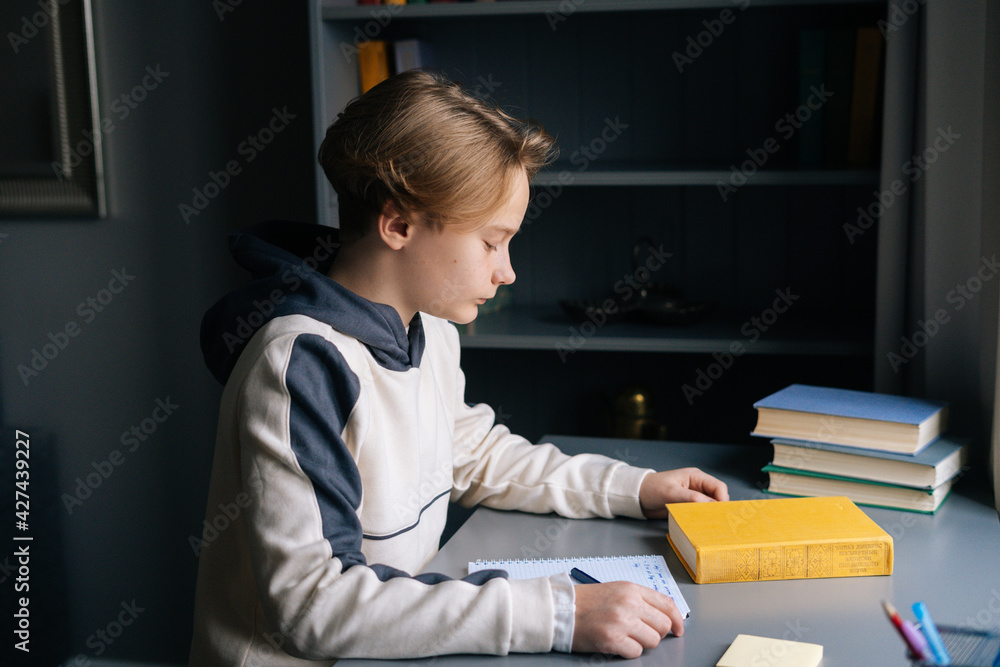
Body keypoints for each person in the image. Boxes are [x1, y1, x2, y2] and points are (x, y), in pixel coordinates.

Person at [189, 69, 728, 666]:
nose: (508, 271)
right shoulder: (300, 364)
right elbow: (313, 605)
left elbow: (472, 454)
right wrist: (557, 612)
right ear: (398, 224)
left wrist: (635, 488)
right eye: (491, 242)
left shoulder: (430, 329)